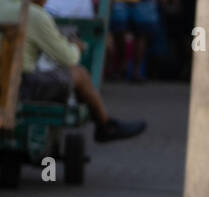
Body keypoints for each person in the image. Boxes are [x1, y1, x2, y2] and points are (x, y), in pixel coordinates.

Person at [0, 0, 145, 142]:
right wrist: (77, 47)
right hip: (19, 87)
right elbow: (68, 58)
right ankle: (105, 125)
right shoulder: (34, 15)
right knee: (79, 74)